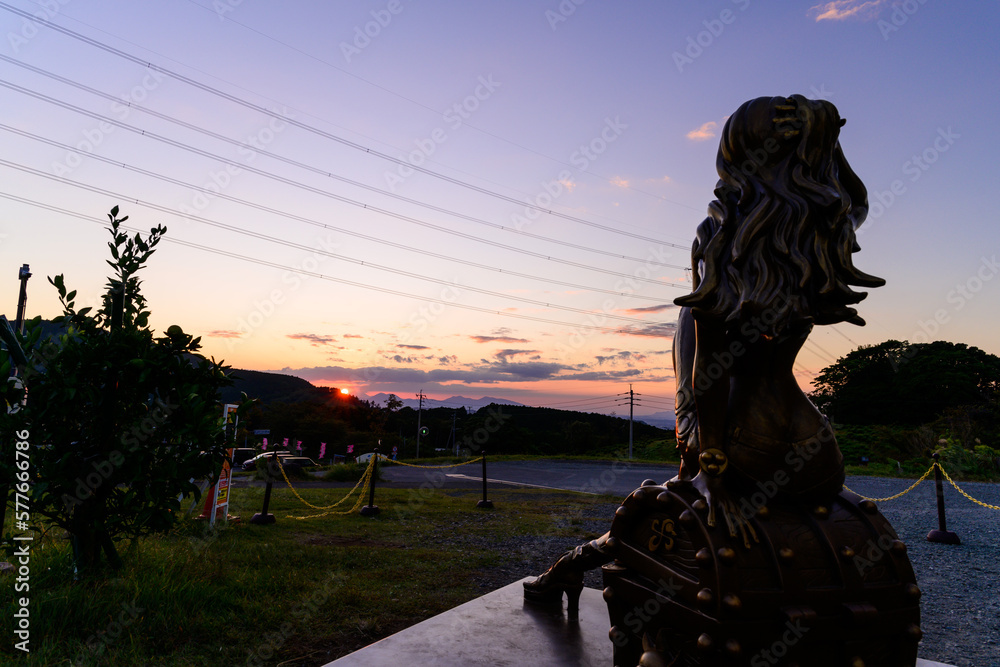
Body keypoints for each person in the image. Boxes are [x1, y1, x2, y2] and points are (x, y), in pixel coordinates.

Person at [524, 94, 883, 608]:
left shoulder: (723, 241)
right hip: (817, 454)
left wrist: (710, 475)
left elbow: (708, 370)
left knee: (693, 315)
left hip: (743, 448)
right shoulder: (824, 232)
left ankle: (566, 568)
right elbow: (856, 201)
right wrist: (825, 139)